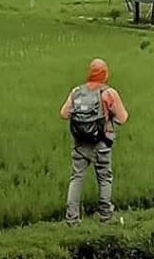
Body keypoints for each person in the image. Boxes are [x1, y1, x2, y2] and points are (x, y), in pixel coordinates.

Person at [59, 58, 129, 225]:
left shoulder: (77, 91)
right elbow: (123, 118)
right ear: (105, 74)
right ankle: (105, 216)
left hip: (80, 144)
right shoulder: (109, 93)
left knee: (76, 178)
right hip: (102, 144)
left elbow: (64, 113)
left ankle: (72, 218)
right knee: (104, 178)